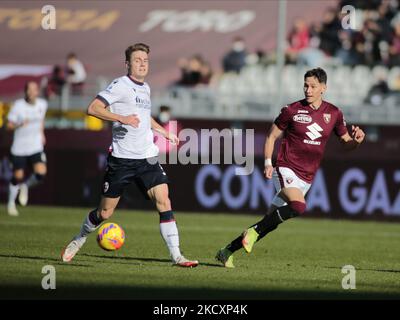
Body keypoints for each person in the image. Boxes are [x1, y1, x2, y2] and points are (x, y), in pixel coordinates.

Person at [61, 43, 198, 268]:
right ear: (127, 64)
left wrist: (163, 131)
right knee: (105, 213)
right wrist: (121, 119)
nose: (143, 64)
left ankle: (177, 256)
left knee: (164, 199)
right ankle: (80, 237)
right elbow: (93, 108)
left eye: (145, 60)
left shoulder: (146, 88)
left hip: (146, 158)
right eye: (137, 60)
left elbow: (144, 117)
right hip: (122, 160)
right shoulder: (120, 85)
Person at [216, 67, 366, 268]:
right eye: (305, 85)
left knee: (269, 222)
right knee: (299, 206)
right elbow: (271, 137)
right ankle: (251, 233)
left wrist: (357, 142)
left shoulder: (334, 113)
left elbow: (346, 143)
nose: (308, 90)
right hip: (285, 168)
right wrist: (268, 163)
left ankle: (227, 251)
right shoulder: (292, 110)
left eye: (313, 86)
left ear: (323, 88)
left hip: (307, 177)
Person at [6, 81, 48, 216]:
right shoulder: (18, 106)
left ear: (37, 91)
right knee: (17, 176)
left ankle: (25, 186)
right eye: (29, 89)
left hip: (35, 145)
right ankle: (11, 203)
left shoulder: (42, 104)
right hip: (19, 147)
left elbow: (41, 120)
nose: (31, 92)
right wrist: (18, 124)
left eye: (34, 89)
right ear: (25, 91)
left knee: (40, 173)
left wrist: (42, 134)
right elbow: (9, 126)